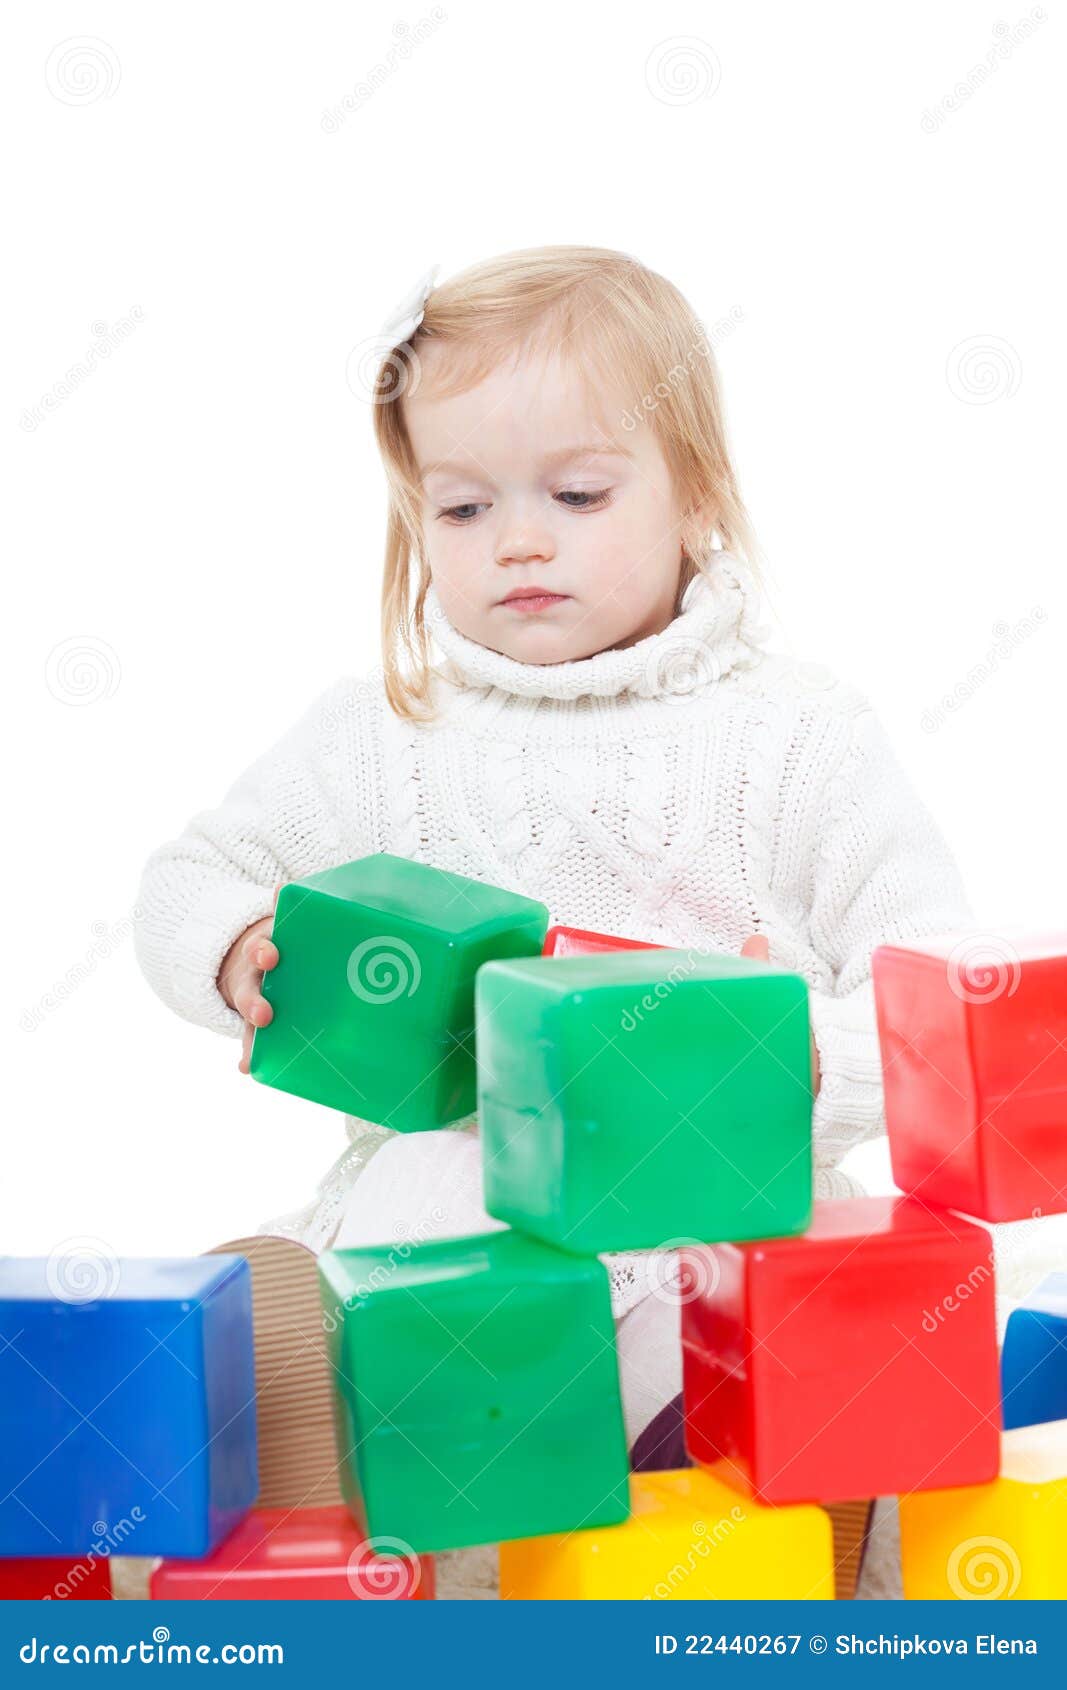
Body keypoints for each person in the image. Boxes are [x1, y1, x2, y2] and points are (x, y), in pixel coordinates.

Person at [134, 245, 988, 1595]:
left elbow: (934, 987)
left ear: (700, 492)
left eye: (577, 494)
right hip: (449, 1217)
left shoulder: (797, 736)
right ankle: (353, 1520)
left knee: (827, 1328)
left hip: (722, 1227)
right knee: (320, 1304)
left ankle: (762, 1537)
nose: (520, 539)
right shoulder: (380, 734)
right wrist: (238, 944)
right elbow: (187, 875)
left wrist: (802, 1049)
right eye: (463, 509)